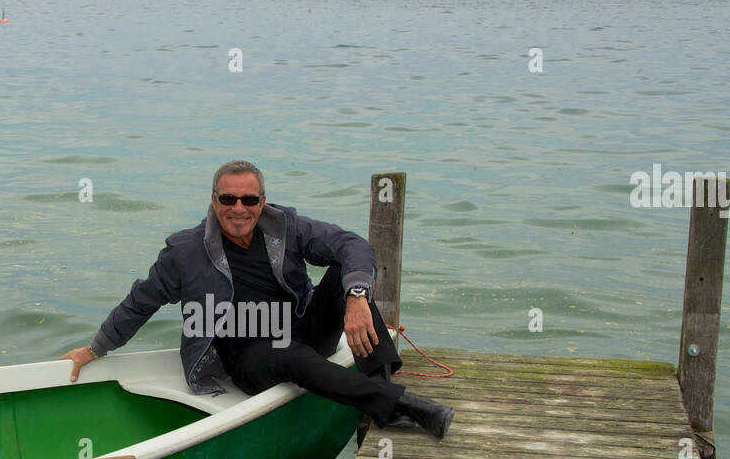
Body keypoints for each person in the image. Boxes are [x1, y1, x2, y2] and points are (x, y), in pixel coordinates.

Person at [60, 160, 454, 438]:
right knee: (288, 354)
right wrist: (95, 348)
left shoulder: (286, 227)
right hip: (248, 358)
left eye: (249, 200)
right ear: (213, 201)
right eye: (228, 199)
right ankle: (406, 406)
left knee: (346, 277)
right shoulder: (184, 253)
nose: (239, 209)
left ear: (262, 202)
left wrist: (355, 297)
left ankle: (381, 387)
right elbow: (140, 302)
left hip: (302, 332)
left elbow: (352, 245)